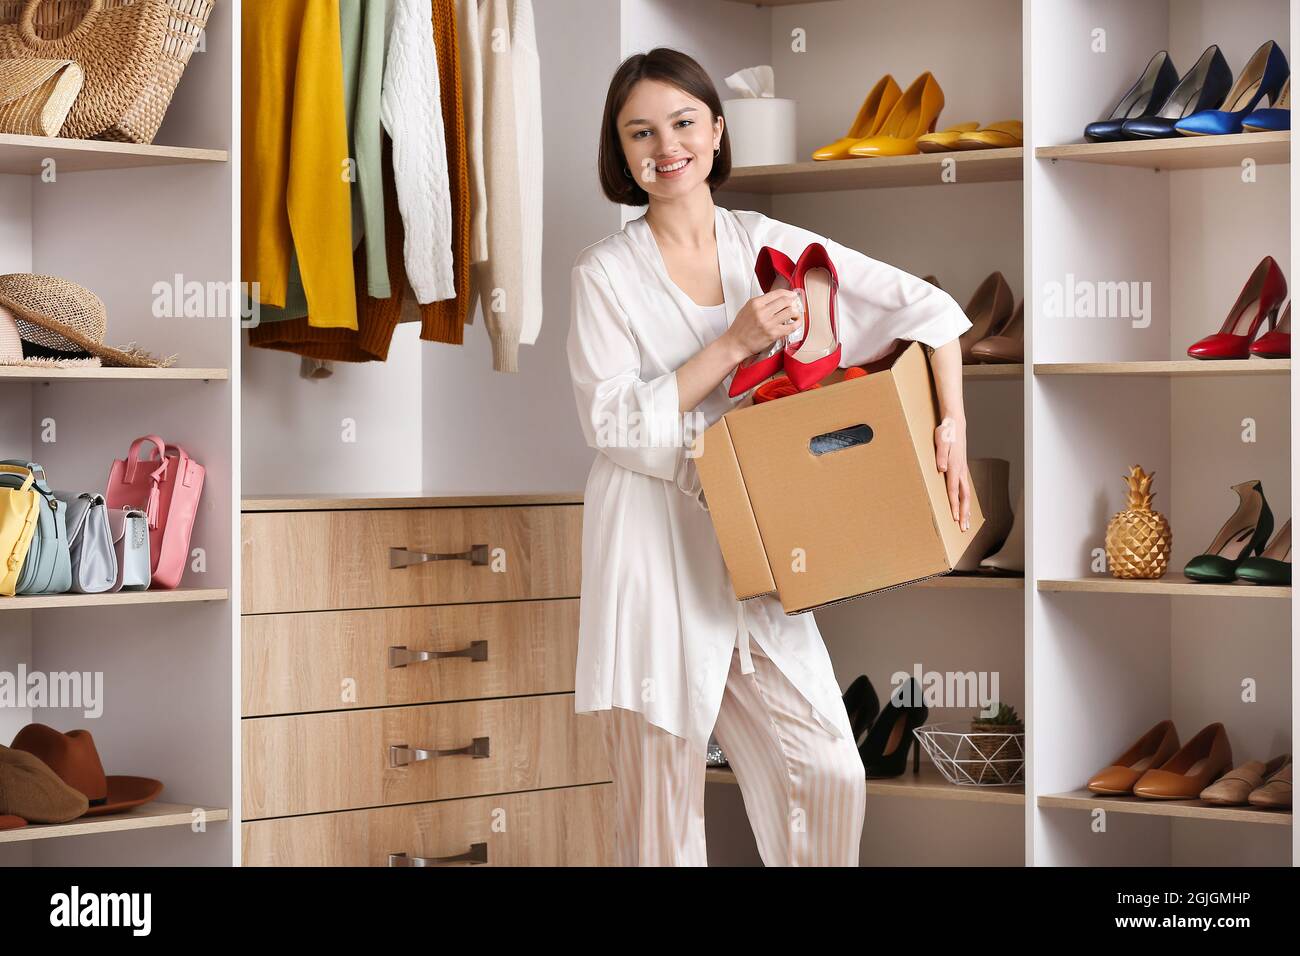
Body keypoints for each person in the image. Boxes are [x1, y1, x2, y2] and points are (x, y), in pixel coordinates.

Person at [565, 48, 973, 866]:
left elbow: (929, 310)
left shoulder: (764, 240)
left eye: (683, 122)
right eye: (640, 132)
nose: (665, 146)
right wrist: (734, 345)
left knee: (825, 767)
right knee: (658, 816)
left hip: (758, 544)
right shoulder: (602, 274)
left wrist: (951, 426)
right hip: (652, 552)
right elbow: (612, 425)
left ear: (717, 131)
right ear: (621, 150)